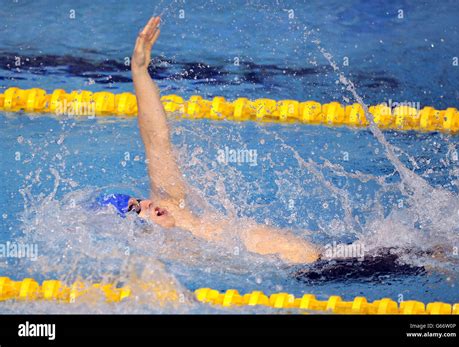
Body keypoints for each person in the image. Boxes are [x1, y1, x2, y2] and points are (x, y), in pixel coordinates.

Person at [100, 16, 323, 265]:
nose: (147, 203)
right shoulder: (164, 253)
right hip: (312, 280)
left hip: (330, 259)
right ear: (129, 231)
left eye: (139, 201)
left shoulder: (173, 206)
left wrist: (139, 71)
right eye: (136, 209)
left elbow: (157, 139)